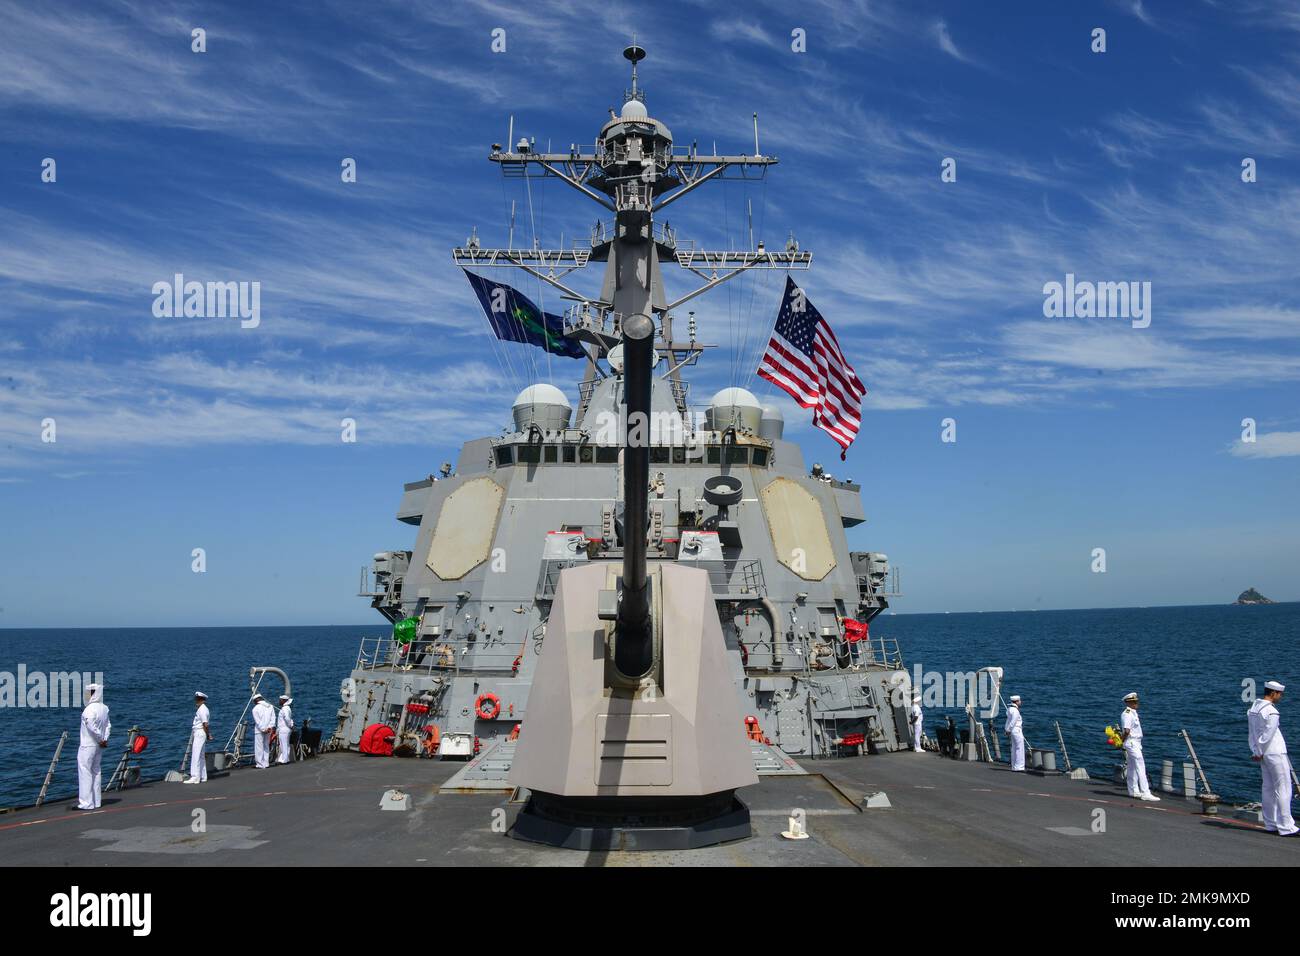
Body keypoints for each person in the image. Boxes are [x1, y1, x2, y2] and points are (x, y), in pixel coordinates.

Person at [1248, 680, 1297, 836]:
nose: (1280, 697)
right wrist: (1261, 749)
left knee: (1268, 788)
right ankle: (1286, 826)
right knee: (1284, 788)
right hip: (1275, 752)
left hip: (1263, 755)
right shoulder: (1272, 711)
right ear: (1273, 693)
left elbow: (1252, 734)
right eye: (1280, 694)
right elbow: (1268, 735)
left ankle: (1271, 824)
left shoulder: (1253, 709)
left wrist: (1256, 751)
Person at [76, 682, 111, 810]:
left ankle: (86, 803)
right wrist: (104, 739)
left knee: (85, 771)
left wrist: (100, 738)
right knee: (96, 771)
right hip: (98, 745)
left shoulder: (89, 709)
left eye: (89, 692)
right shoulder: (104, 708)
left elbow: (91, 725)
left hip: (88, 744)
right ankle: (97, 801)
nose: (87, 695)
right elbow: (108, 726)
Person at [1120, 692, 1160, 801]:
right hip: (1132, 742)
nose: (1137, 703)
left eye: (1136, 701)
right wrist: (1121, 741)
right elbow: (1127, 731)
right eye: (1134, 702)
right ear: (1129, 702)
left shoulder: (1133, 713)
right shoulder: (1127, 714)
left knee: (1132, 767)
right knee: (1140, 766)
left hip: (1136, 742)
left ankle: (1133, 791)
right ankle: (1145, 792)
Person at [185, 692, 211, 784]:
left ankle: (195, 777)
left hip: (200, 732)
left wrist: (208, 734)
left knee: (196, 755)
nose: (196, 701)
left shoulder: (202, 710)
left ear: (201, 700)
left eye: (197, 699)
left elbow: (205, 724)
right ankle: (203, 776)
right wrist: (207, 734)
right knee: (201, 756)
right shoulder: (203, 709)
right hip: (201, 732)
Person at [251, 694, 276, 769]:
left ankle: (260, 764)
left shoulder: (255, 709)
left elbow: (258, 721)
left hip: (259, 731)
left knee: (259, 747)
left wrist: (263, 729)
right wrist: (269, 727)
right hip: (268, 730)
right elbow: (273, 718)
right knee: (266, 746)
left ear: (256, 700)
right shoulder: (270, 706)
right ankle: (266, 763)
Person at [1005, 694, 1025, 771]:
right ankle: (1019, 767)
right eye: (1019, 701)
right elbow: (1013, 722)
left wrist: (1007, 729)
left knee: (1014, 748)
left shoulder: (1009, 709)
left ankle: (1014, 766)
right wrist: (1008, 730)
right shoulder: (1015, 711)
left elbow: (1008, 721)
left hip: (1012, 731)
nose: (1020, 702)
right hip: (1017, 730)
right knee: (1019, 748)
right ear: (1016, 702)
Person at [276, 694, 294, 764]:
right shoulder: (286, 708)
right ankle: (284, 759)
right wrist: (291, 725)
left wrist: (290, 725)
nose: (279, 701)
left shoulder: (285, 708)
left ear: (284, 701)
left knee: (284, 744)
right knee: (285, 744)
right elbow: (289, 718)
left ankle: (285, 760)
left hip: (284, 729)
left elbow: (287, 718)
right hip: (285, 729)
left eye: (280, 700)